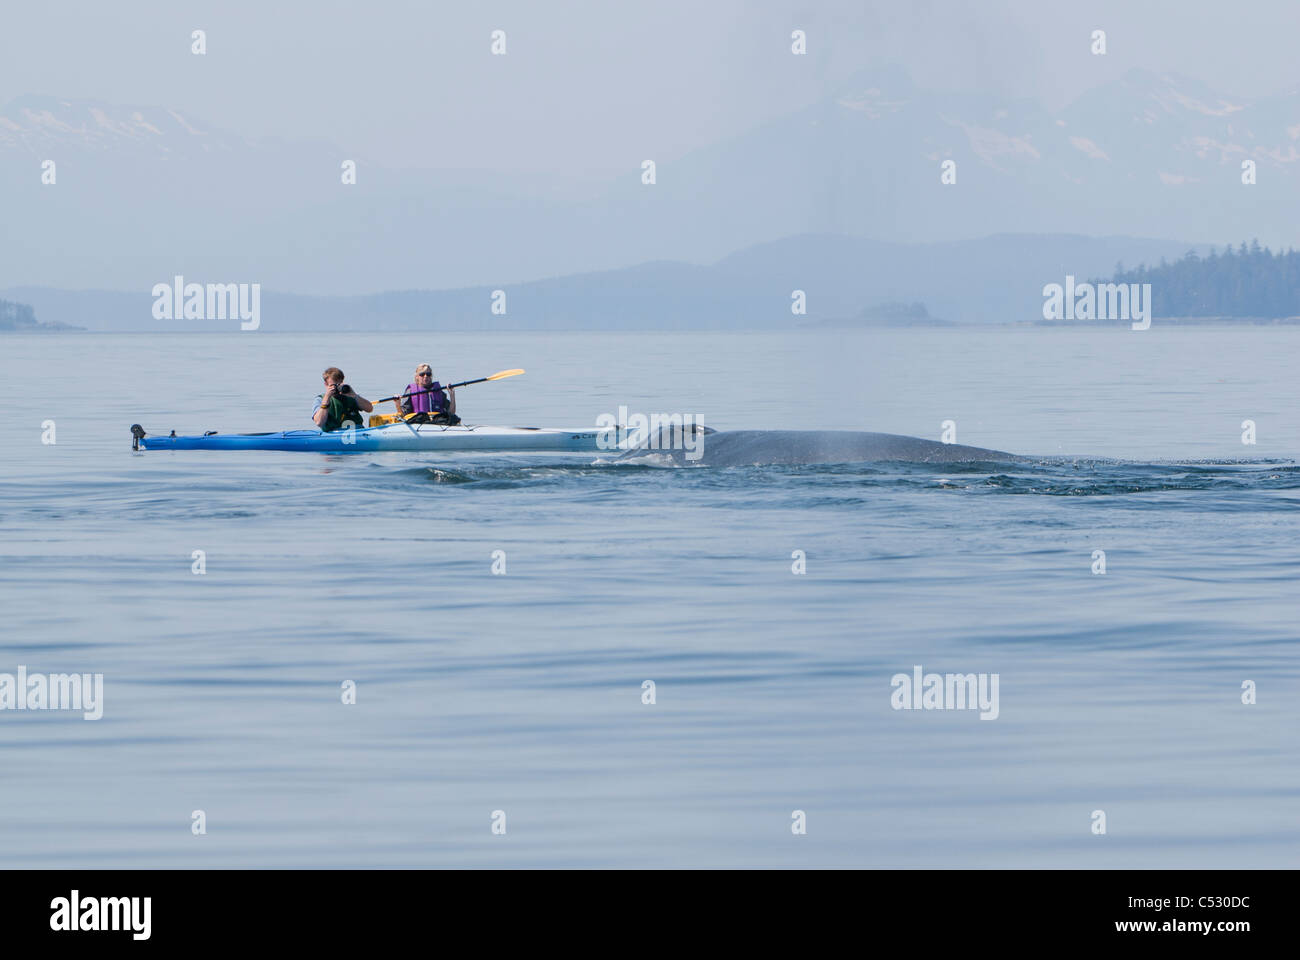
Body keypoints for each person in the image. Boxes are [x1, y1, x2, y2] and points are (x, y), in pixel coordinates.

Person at [312, 367, 373, 432]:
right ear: (326, 384)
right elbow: (319, 422)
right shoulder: (320, 399)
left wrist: (355, 396)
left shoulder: (350, 395)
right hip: (334, 434)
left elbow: (369, 409)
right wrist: (326, 399)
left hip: (357, 431)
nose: (336, 388)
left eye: (338, 385)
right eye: (333, 385)